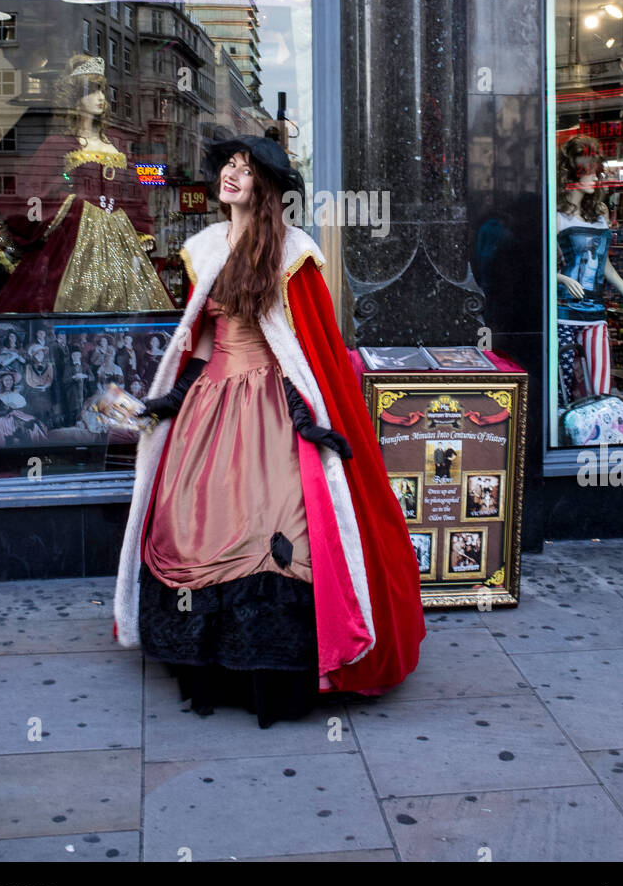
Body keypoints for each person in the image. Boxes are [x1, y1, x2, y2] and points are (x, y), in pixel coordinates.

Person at [114, 134, 425, 727]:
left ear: (268, 186)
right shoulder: (203, 249)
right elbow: (201, 344)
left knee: (275, 528)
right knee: (193, 521)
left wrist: (311, 419)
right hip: (209, 408)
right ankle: (211, 665)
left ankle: (274, 679)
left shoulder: (292, 253)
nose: (231, 175)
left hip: (272, 410)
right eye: (227, 165)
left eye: (245, 168)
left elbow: (307, 351)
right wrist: (170, 400)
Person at [0, 55, 174, 314]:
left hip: (119, 243)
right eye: (92, 91)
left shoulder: (116, 147)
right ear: (75, 100)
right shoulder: (59, 145)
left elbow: (133, 196)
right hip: (73, 240)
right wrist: (70, 205)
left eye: (102, 90)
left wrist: (141, 228)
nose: (100, 97)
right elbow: (30, 188)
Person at [557, 136, 623, 403]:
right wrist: (559, 277)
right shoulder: (556, 215)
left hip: (595, 311)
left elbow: (602, 262)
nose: (596, 178)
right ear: (574, 173)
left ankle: (601, 440)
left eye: (596, 171)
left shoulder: (599, 214)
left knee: (602, 392)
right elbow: (539, 262)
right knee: (562, 388)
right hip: (563, 312)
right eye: (590, 172)